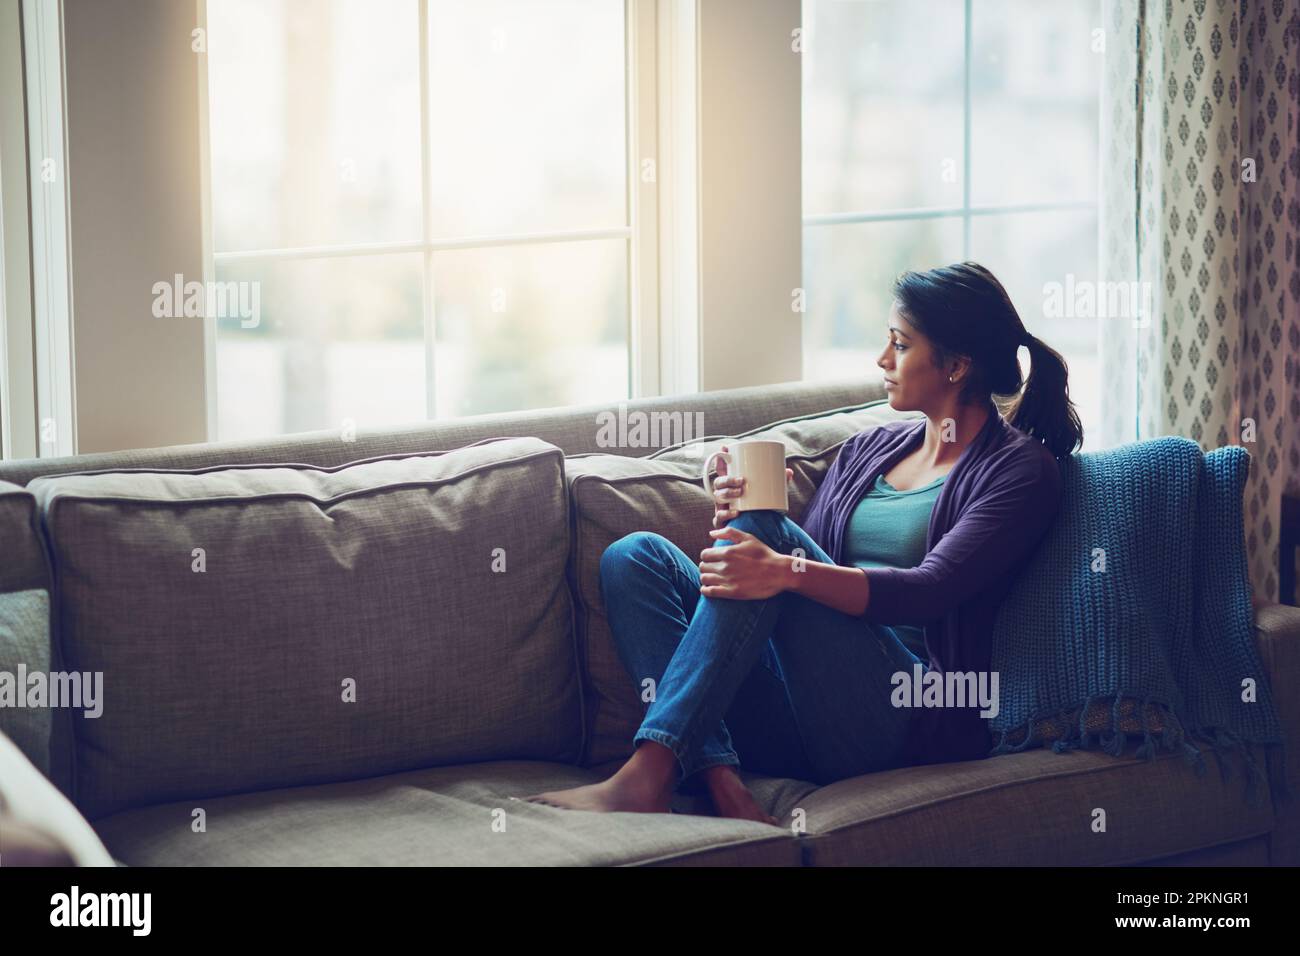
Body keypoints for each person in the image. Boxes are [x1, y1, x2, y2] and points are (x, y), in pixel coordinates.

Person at [519, 262, 1079, 824]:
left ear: (957, 365)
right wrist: (741, 514)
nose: (882, 360)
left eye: (900, 345)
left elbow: (931, 590)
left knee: (772, 542)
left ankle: (652, 769)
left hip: (903, 718)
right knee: (633, 557)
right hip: (796, 714)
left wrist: (782, 559)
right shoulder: (870, 451)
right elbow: (786, 583)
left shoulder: (1020, 472)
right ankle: (721, 779)